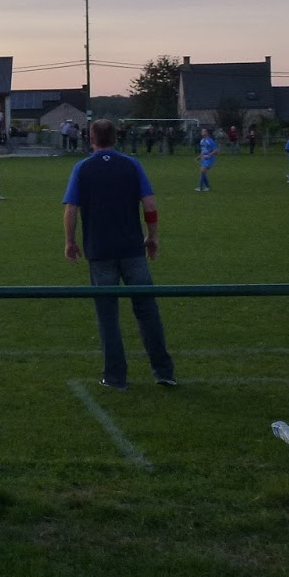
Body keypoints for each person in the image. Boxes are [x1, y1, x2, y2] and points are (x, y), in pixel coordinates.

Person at [62, 119, 176, 391]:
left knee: (107, 315)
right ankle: (163, 372)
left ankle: (115, 377)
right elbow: (149, 203)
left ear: (91, 139)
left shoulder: (82, 168)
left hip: (99, 251)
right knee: (147, 311)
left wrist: (70, 241)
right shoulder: (131, 165)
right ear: (115, 138)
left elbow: (71, 209)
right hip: (132, 249)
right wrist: (152, 236)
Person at [196, 127, 217, 193]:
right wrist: (199, 157)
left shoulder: (210, 141)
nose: (202, 132)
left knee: (203, 171)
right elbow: (203, 150)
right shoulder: (202, 141)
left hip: (210, 158)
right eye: (202, 131)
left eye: (203, 131)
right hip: (204, 158)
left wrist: (209, 155)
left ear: (207, 133)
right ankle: (207, 187)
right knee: (203, 172)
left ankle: (200, 187)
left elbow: (216, 150)